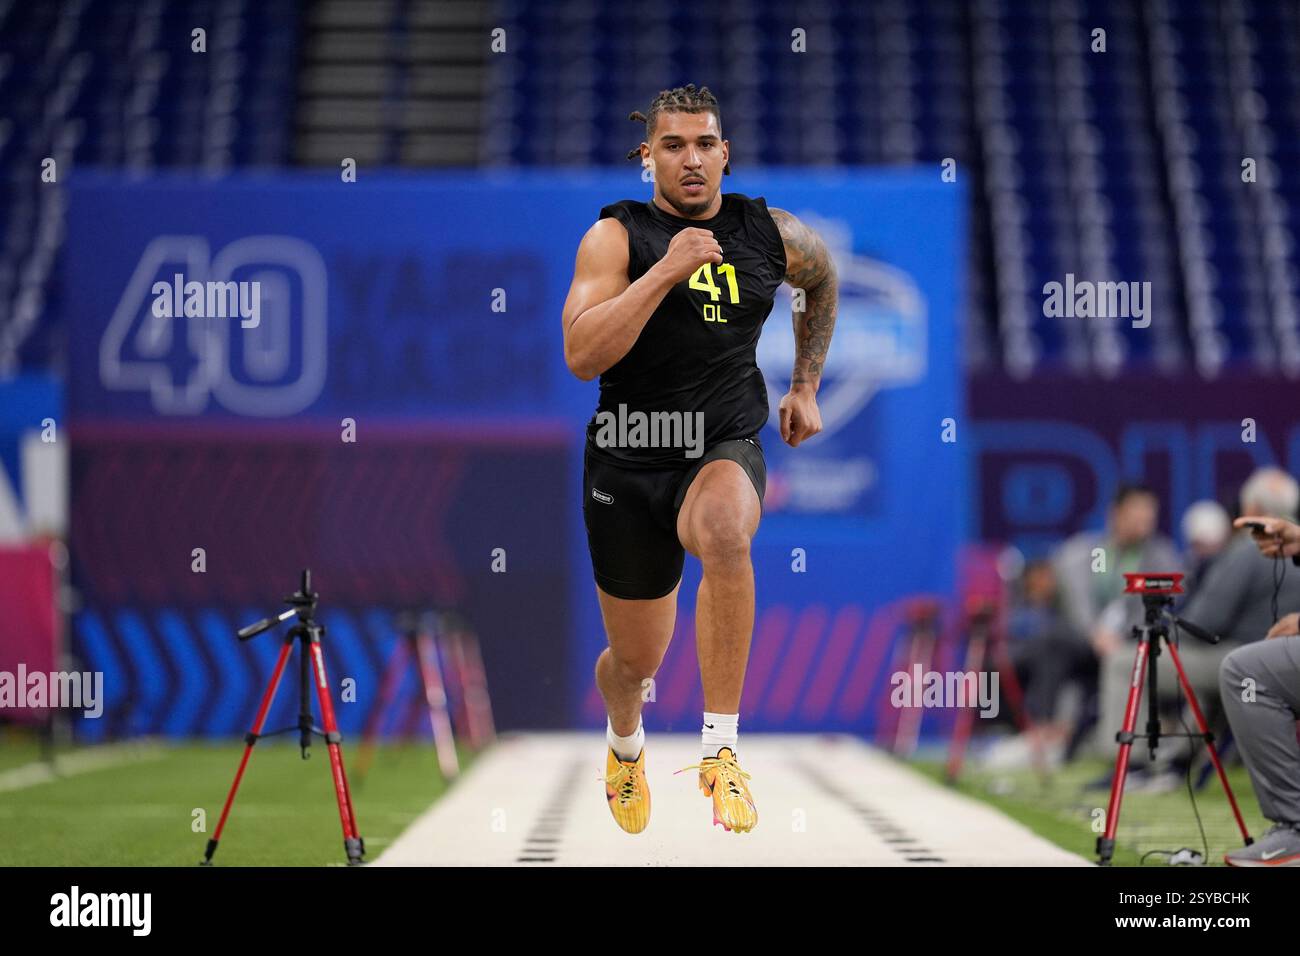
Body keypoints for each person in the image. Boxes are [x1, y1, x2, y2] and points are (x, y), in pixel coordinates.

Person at [561, 84, 839, 834]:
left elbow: (820, 279)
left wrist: (806, 384)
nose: (691, 159)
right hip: (628, 461)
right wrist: (663, 272)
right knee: (635, 664)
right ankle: (626, 748)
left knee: (725, 531)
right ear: (647, 155)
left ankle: (722, 753)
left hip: (721, 444)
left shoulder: (768, 232)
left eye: (704, 144)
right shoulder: (615, 238)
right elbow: (582, 356)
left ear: (725, 153)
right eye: (673, 145)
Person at [1050, 483, 1181, 755]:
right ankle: (1050, 731)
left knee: (1125, 658)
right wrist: (1095, 632)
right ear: (1116, 513)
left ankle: (1124, 744)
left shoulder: (1160, 555)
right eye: (1137, 511)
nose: (1145, 519)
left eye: (1149, 513)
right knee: (1052, 644)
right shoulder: (1098, 553)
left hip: (1135, 638)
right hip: (1092, 639)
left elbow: (1165, 604)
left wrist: (1123, 636)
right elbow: (1082, 595)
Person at [1218, 513, 1300, 865]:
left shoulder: (1236, 556)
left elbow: (1209, 618)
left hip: (1223, 642)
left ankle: (1296, 826)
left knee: (1247, 673)